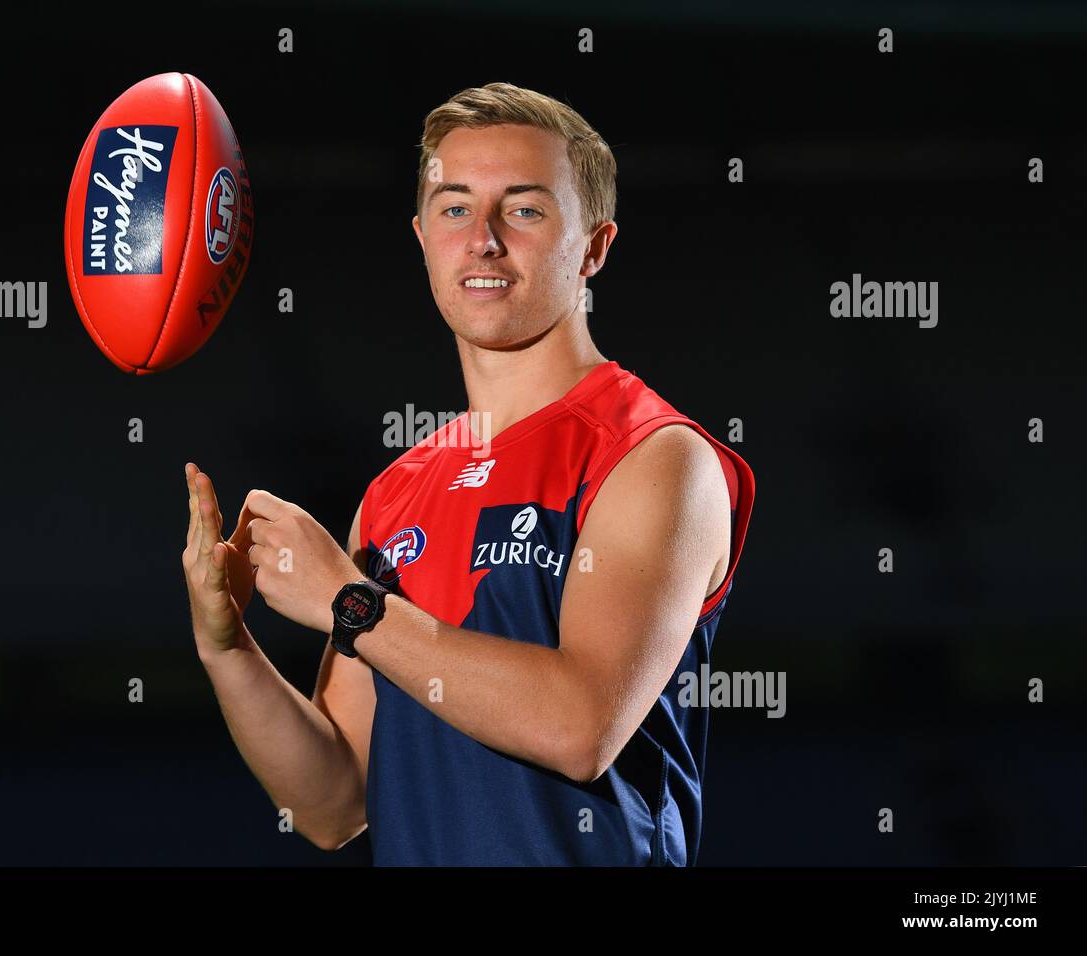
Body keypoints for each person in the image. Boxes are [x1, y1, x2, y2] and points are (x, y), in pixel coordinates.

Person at [182, 82, 756, 865]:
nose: (482, 239)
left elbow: (581, 726)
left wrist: (347, 602)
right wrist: (229, 649)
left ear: (594, 246)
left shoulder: (657, 456)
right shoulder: (395, 494)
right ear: (421, 237)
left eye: (523, 209)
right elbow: (334, 802)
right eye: (454, 208)